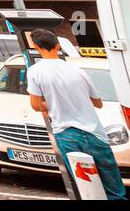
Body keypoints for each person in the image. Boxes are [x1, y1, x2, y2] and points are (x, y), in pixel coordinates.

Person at [27, 28, 126, 200]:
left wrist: (55, 102)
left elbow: (36, 105)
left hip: (67, 134)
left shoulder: (35, 71)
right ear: (58, 46)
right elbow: (98, 103)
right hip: (95, 134)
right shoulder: (79, 71)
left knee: (87, 188)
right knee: (114, 189)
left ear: (36, 47)